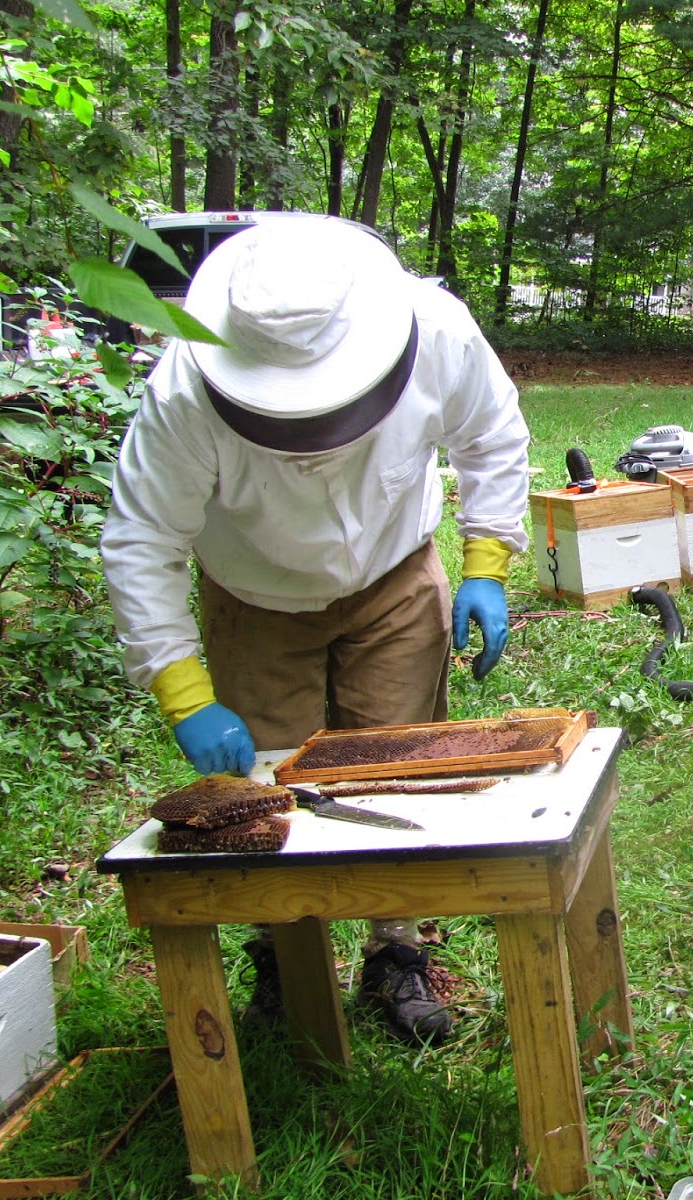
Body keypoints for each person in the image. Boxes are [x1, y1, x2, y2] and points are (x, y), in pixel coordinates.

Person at [100, 215, 531, 1043]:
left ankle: (396, 953)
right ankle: (282, 958)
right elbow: (140, 538)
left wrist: (485, 563)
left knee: (396, 769)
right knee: (267, 796)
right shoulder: (182, 392)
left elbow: (493, 436)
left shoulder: (437, 330)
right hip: (254, 599)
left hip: (397, 574)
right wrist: (185, 695)